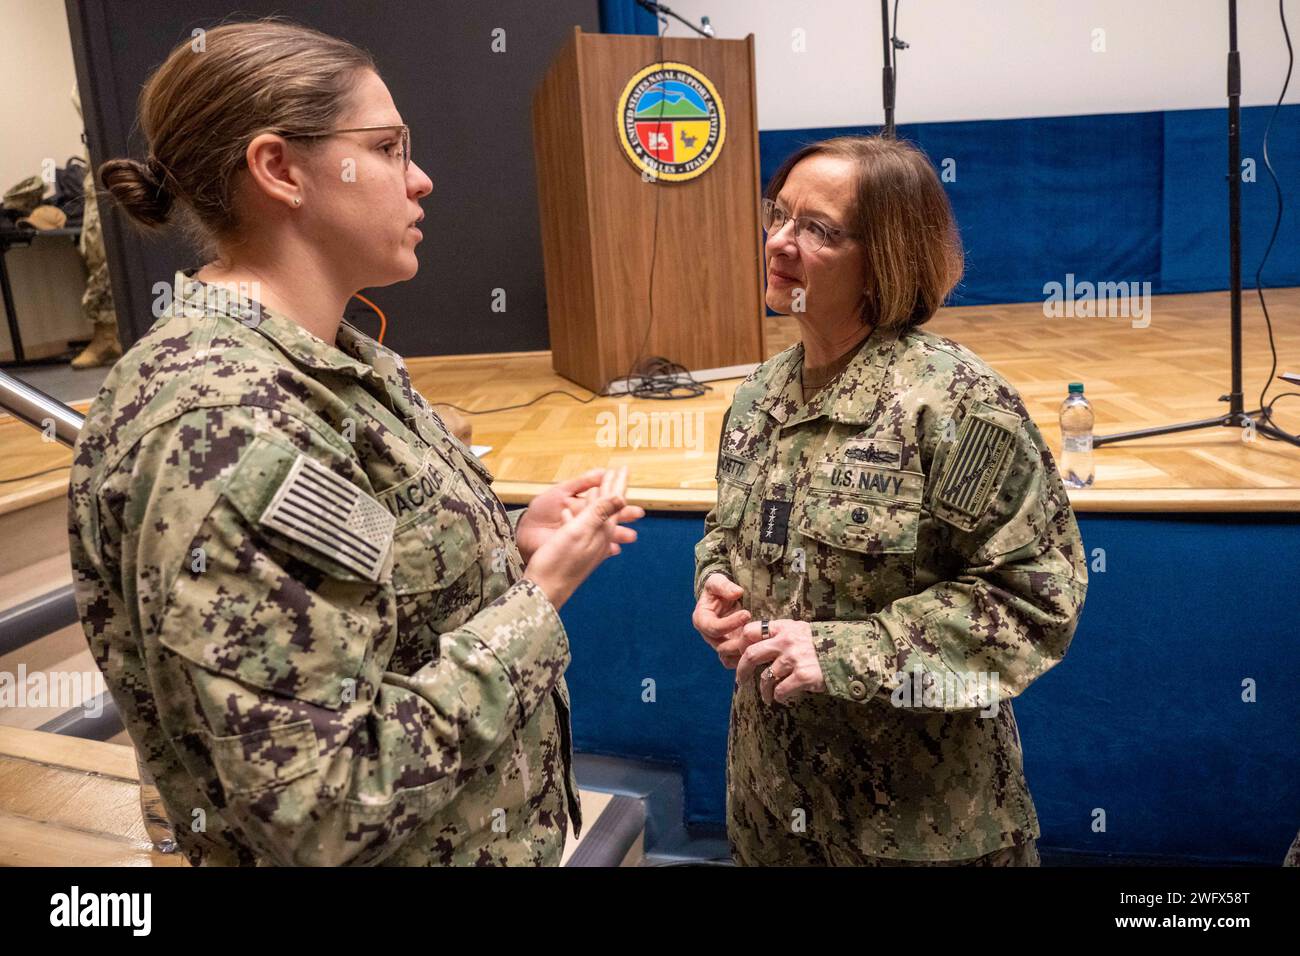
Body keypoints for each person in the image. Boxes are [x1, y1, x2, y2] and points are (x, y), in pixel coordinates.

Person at [68, 18, 641, 866]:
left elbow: (365, 602)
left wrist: (506, 554)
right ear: (278, 169)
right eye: (385, 149)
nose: (421, 179)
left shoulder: (333, 360)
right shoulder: (225, 423)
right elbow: (323, 808)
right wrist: (536, 601)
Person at [692, 135, 1088, 866]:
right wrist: (715, 584)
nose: (780, 242)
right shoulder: (759, 396)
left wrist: (842, 654)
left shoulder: (958, 406)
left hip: (917, 830)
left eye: (818, 230)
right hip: (773, 812)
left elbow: (1034, 599)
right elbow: (727, 528)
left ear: (886, 258)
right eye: (777, 215)